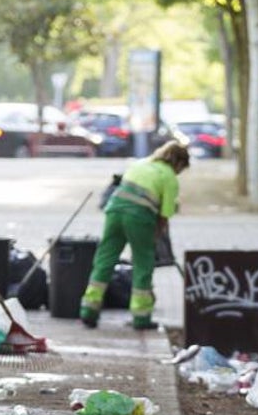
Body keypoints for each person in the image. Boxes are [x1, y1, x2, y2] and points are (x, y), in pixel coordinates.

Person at [79, 141, 191, 330]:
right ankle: (141, 317)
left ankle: (89, 310)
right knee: (143, 264)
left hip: (114, 212)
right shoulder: (169, 177)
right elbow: (165, 215)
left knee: (104, 260)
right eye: (181, 168)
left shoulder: (140, 164)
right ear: (178, 162)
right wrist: (155, 236)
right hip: (139, 217)